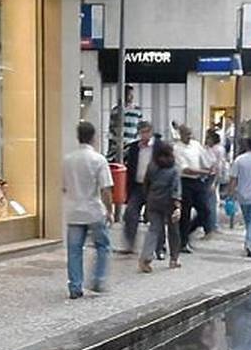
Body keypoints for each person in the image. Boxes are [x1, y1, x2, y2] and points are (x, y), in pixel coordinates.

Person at [62, 121, 114, 300]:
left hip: (74, 211)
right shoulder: (98, 159)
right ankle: (98, 279)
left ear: (78, 137)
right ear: (93, 137)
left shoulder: (68, 160)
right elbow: (106, 189)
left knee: (74, 251)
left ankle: (75, 286)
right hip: (93, 210)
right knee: (103, 246)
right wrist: (110, 210)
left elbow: (64, 187)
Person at [138, 143, 182, 273]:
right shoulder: (174, 169)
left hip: (153, 201)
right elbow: (176, 189)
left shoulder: (152, 166)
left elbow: (146, 184)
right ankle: (174, 259)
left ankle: (146, 258)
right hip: (169, 202)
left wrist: (147, 198)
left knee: (153, 230)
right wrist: (177, 205)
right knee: (173, 231)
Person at [174, 125, 213, 253]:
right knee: (185, 213)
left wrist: (210, 168)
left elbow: (205, 160)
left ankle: (188, 230)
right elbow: (184, 169)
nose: (189, 137)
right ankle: (183, 242)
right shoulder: (177, 148)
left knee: (205, 210)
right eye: (186, 134)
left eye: (190, 134)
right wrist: (204, 171)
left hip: (197, 181)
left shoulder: (196, 145)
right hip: (184, 181)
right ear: (180, 134)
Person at [121, 121, 157, 254]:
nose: (144, 135)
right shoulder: (134, 148)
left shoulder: (158, 147)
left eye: (147, 132)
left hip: (154, 187)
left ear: (151, 132)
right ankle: (130, 243)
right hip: (137, 186)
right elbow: (130, 167)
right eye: (142, 132)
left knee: (155, 217)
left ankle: (158, 246)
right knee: (131, 213)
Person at [200, 130, 228, 235]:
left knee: (211, 201)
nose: (206, 140)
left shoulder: (216, 150)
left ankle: (211, 225)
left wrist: (215, 181)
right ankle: (212, 224)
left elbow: (218, 165)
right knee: (212, 201)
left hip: (211, 176)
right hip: (210, 176)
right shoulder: (212, 149)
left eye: (208, 138)